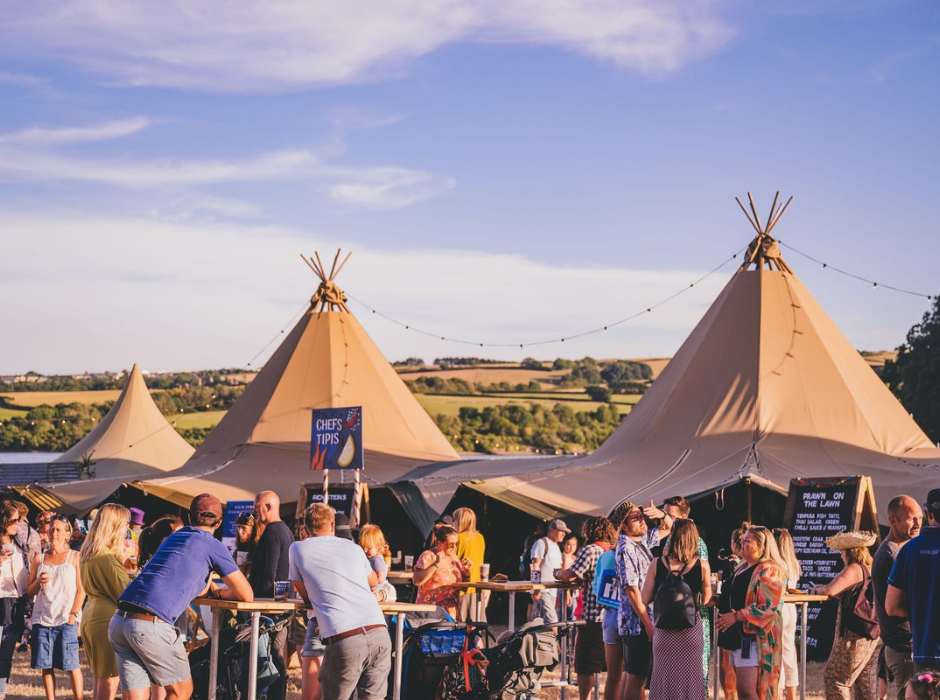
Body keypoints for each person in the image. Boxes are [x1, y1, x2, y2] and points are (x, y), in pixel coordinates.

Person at [109, 493, 253, 700]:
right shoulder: (213, 545)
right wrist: (221, 592)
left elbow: (188, 581)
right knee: (181, 691)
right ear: (219, 522)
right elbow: (246, 594)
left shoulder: (176, 537)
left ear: (189, 516)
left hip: (121, 619)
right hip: (150, 623)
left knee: (135, 696)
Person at [289, 503, 391, 700]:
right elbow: (373, 582)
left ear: (305, 527)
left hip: (344, 636)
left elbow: (304, 594)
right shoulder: (352, 548)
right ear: (333, 525)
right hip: (379, 631)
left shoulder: (298, 548)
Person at [640, 518, 712, 700]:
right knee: (690, 681)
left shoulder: (657, 563)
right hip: (690, 631)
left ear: (673, 537)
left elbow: (644, 598)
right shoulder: (702, 565)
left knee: (663, 680)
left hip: (664, 632)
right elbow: (706, 599)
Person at [715, 525, 787, 700]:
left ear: (761, 547)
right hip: (736, 636)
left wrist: (736, 616)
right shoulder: (743, 566)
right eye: (742, 539)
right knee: (740, 689)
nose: (742, 542)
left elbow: (768, 606)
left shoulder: (769, 569)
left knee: (746, 689)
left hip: (753, 638)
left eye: (747, 540)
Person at [611, 499, 670, 700]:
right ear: (624, 526)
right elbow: (632, 590)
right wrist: (647, 623)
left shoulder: (641, 540)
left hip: (643, 619)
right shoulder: (625, 547)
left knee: (635, 675)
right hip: (637, 622)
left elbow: (669, 527)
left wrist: (661, 514)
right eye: (635, 519)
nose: (641, 521)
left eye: (641, 516)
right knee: (636, 677)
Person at [556, 516, 617, 700]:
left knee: (584, 664)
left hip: (592, 616)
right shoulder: (615, 550)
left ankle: (586, 698)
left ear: (590, 532)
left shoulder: (589, 551)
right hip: (613, 615)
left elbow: (569, 575)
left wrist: (558, 573)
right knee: (614, 667)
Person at [26, 514, 85, 700]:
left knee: (71, 665)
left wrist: (73, 615)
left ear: (68, 534)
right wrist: (38, 582)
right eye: (51, 529)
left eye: (59, 529)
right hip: (43, 619)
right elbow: (29, 591)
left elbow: (82, 590)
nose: (54, 533)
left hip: (65, 618)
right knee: (46, 665)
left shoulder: (75, 557)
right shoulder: (39, 558)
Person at [80, 504, 132, 700]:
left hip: (91, 614)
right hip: (105, 619)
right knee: (110, 678)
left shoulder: (90, 552)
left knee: (100, 677)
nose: (127, 528)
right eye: (125, 523)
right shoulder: (107, 557)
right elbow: (125, 592)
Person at [873, 496, 923, 700]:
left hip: (906, 645)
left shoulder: (902, 550)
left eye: (920, 517)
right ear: (892, 520)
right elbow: (892, 607)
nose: (918, 524)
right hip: (903, 646)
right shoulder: (890, 555)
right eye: (911, 519)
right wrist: (925, 612)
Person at [887, 488, 940, 674]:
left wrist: (922, 613)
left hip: (924, 652)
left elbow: (891, 606)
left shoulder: (909, 550)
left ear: (928, 514)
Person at [250, 491, 294, 700]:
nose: (254, 513)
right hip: (281, 604)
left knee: (266, 657)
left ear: (267, 507)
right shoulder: (285, 530)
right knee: (276, 656)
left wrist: (253, 599)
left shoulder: (272, 533)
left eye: (256, 508)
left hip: (268, 607)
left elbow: (269, 573)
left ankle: (263, 695)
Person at [0, 501, 30, 700]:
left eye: (19, 519)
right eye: (14, 520)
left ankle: (1, 691)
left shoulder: (19, 543)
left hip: (15, 600)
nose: (18, 523)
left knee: (6, 651)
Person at [413, 525, 471, 618]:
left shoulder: (455, 560)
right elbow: (416, 581)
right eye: (451, 544)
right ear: (439, 544)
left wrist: (467, 572)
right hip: (430, 614)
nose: (455, 547)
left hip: (452, 614)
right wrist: (436, 564)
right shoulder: (428, 556)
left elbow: (464, 589)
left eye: (457, 543)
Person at [773, 528, 802, 700]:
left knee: (777, 650)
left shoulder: (776, 564)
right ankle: (792, 695)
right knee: (789, 650)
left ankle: (778, 690)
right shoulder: (792, 563)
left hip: (779, 606)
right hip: (791, 608)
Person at [530, 519, 570, 624]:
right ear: (552, 530)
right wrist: (536, 589)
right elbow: (535, 565)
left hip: (552, 590)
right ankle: (553, 641)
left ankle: (540, 640)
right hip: (543, 590)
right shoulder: (541, 543)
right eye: (561, 531)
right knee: (552, 621)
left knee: (543, 622)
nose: (563, 534)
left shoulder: (556, 547)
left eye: (564, 532)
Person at [452, 507, 485, 622]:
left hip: (462, 587)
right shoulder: (480, 538)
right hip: (478, 587)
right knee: (477, 625)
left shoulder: (458, 539)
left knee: (460, 624)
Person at [359, 524, 396, 603]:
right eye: (363, 547)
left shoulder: (376, 560)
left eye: (369, 547)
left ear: (378, 545)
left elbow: (380, 578)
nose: (365, 550)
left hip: (379, 590)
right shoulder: (371, 558)